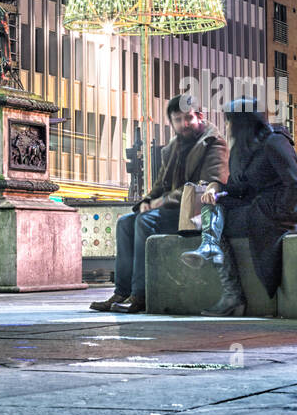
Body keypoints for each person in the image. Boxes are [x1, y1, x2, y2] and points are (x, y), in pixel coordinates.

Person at [91, 95, 229, 313]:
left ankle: (140, 295)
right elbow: (160, 184)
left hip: (195, 213)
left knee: (144, 222)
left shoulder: (214, 143)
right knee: (125, 223)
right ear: (171, 122)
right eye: (177, 120)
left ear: (199, 116)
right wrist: (147, 201)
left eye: (188, 118)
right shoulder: (174, 147)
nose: (183, 124)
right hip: (172, 212)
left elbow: (205, 185)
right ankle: (122, 291)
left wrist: (160, 202)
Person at [181, 97, 297, 316]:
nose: (227, 127)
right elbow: (236, 188)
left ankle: (232, 294)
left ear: (242, 123)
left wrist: (278, 215)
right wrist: (214, 187)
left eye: (230, 122)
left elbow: (296, 186)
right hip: (256, 207)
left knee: (216, 223)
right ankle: (221, 272)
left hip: (277, 212)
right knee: (210, 211)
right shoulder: (243, 151)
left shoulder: (274, 143)